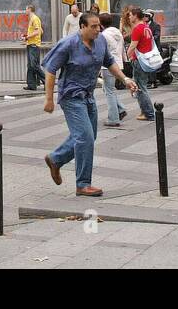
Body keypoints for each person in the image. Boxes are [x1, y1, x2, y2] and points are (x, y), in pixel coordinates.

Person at [42, 11, 138, 198]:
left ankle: (55, 159)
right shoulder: (68, 44)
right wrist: (49, 99)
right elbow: (51, 69)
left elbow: (109, 62)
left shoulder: (101, 41)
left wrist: (125, 79)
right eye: (93, 26)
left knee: (89, 136)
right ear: (82, 27)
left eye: (99, 26)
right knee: (85, 137)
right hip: (71, 96)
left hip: (88, 96)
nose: (97, 29)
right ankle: (83, 184)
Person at [122, 6, 157, 122]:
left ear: (136, 16)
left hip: (139, 60)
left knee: (141, 88)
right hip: (146, 59)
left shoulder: (138, 29)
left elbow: (133, 46)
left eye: (131, 15)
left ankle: (149, 113)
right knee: (141, 86)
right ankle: (144, 111)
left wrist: (127, 55)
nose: (129, 17)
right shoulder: (146, 27)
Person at [99, 13, 128, 127]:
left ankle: (113, 118)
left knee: (109, 91)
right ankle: (120, 109)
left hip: (108, 65)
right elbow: (122, 49)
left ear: (101, 24)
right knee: (108, 89)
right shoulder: (117, 32)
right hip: (118, 63)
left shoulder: (104, 35)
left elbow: (103, 52)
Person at [24, 3, 46, 90]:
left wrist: (27, 37)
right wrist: (28, 37)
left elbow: (37, 32)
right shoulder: (32, 19)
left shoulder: (35, 19)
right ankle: (31, 85)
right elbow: (41, 31)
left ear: (29, 9)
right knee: (30, 65)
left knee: (34, 65)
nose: (25, 11)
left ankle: (47, 81)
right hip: (30, 44)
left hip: (34, 45)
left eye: (26, 9)